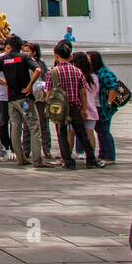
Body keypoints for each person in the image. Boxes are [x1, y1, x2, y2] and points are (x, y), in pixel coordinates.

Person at [0, 36, 46, 163]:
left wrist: (3, 82)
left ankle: (20, 158)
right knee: (34, 128)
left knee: (15, 128)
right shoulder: (24, 57)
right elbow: (37, 69)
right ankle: (37, 159)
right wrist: (30, 86)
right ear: (20, 47)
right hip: (25, 97)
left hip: (11, 99)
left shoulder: (3, 59)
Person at [48, 40, 101, 169]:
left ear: (56, 56)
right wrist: (83, 108)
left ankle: (68, 161)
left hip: (60, 108)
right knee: (82, 133)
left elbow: (49, 93)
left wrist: (49, 107)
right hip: (74, 106)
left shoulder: (53, 72)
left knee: (62, 134)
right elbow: (82, 91)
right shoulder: (77, 71)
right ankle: (91, 159)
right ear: (70, 56)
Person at [87, 50, 120, 164]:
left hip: (102, 107)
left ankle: (109, 156)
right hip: (97, 106)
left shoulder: (104, 72)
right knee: (100, 130)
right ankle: (103, 153)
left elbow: (114, 87)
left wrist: (109, 103)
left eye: (89, 59)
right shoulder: (96, 72)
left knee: (104, 131)